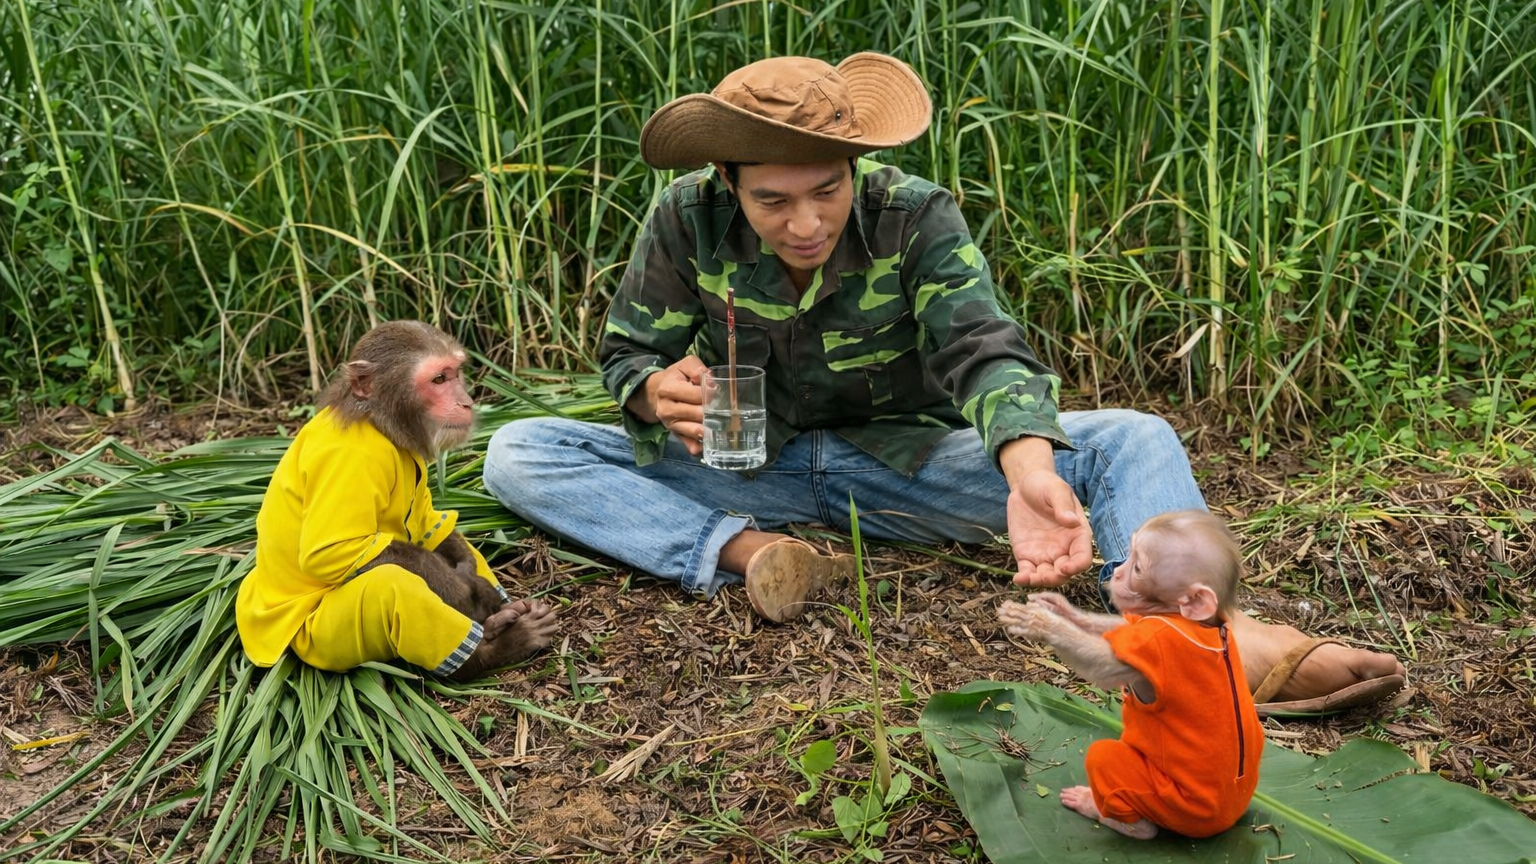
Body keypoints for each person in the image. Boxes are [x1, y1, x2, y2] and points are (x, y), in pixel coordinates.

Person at [482, 52, 1404, 711]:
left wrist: (1027, 471)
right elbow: (626, 351)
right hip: (748, 469)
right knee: (521, 452)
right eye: (773, 200)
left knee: (1135, 435)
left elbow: (983, 349)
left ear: (854, 167)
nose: (805, 224)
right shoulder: (684, 216)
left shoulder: (913, 213)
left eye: (827, 190)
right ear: (728, 179)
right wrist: (652, 392)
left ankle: (1200, 641)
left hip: (906, 465)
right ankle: (750, 554)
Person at [999, 511, 1263, 839]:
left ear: (1194, 600)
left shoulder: (1159, 644)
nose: (1118, 572)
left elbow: (1101, 665)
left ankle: (1130, 820)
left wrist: (1050, 629)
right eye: (1130, 555)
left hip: (1195, 809)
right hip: (1232, 794)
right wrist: (1077, 619)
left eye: (1137, 568)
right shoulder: (1208, 628)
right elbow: (1136, 633)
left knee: (1104, 759)